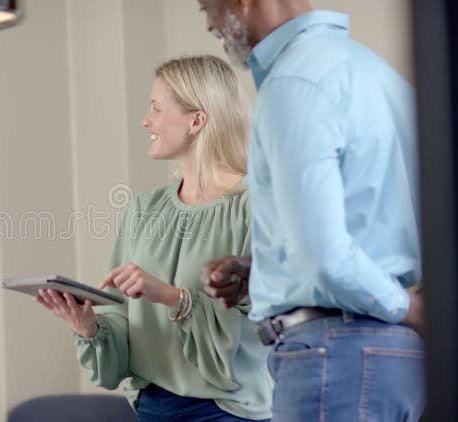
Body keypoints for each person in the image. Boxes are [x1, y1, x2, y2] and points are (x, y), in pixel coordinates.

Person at [196, 1, 425, 421]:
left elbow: (325, 256)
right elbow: (383, 229)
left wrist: (410, 309)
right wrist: (264, 269)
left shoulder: (292, 83)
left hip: (334, 357)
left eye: (207, 6)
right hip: (398, 359)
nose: (209, 23)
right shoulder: (378, 75)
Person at [36, 55, 272, 421]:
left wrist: (171, 296)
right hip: (151, 407)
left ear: (197, 120)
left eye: (156, 109)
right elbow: (121, 312)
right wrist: (90, 327)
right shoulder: (145, 209)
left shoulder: (255, 205)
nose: (146, 120)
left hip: (228, 413)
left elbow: (263, 326)